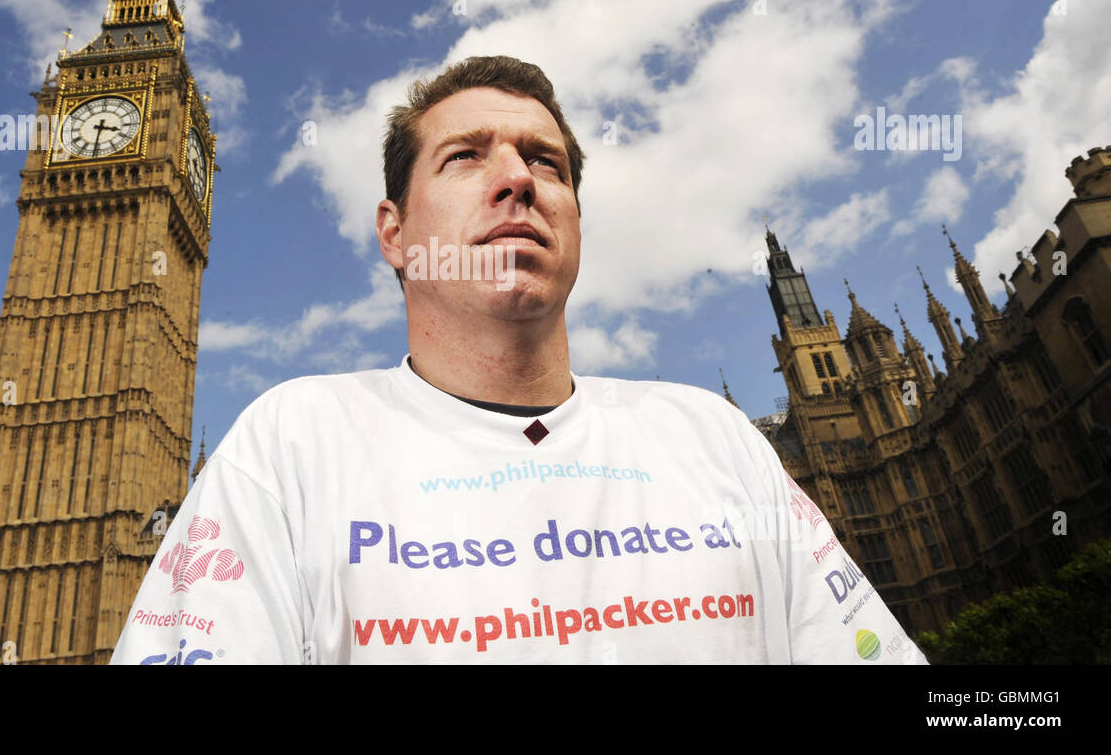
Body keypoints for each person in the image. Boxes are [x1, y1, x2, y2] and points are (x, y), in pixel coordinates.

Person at [110, 55, 928, 664]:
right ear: (393, 233)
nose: (518, 180)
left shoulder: (717, 440)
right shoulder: (287, 449)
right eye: (466, 156)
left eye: (547, 162)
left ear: (574, 217)